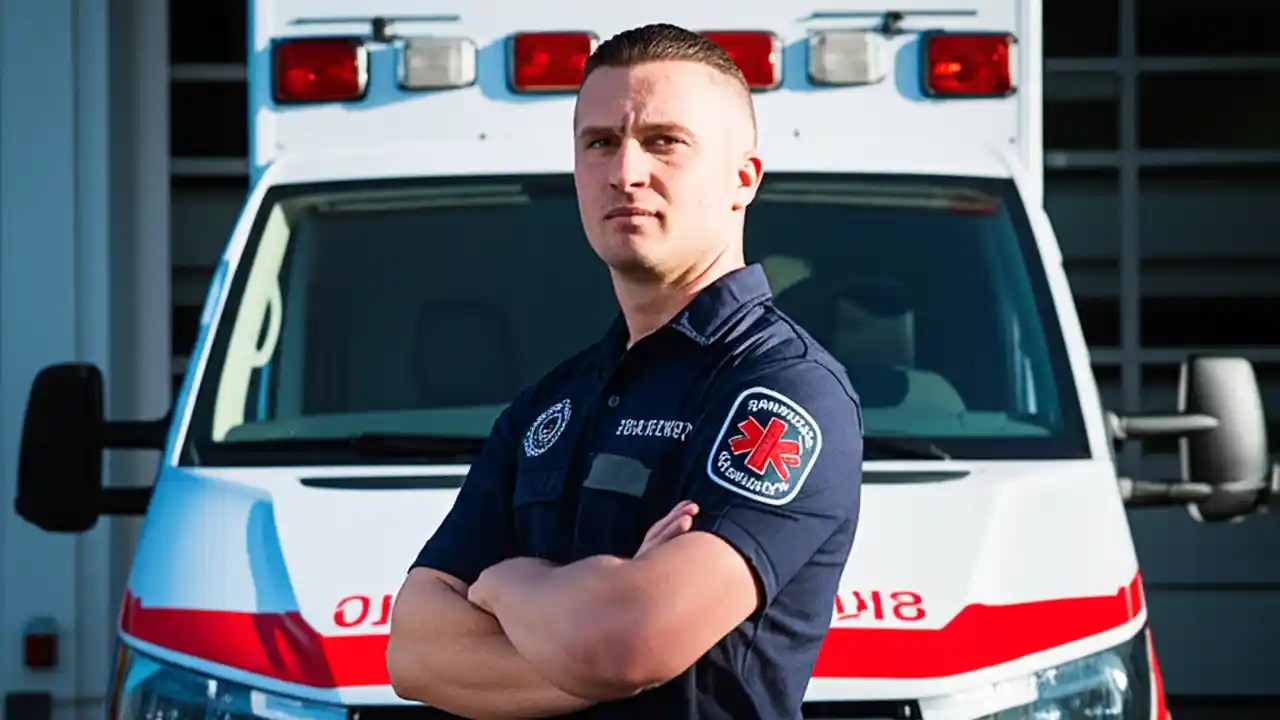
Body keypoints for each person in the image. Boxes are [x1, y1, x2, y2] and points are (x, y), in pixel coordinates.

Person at [386, 22, 864, 720]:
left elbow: (627, 644)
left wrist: (503, 582)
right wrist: (598, 621)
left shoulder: (784, 391)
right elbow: (414, 654)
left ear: (742, 179)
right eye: (600, 142)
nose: (625, 171)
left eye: (664, 141)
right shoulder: (548, 407)